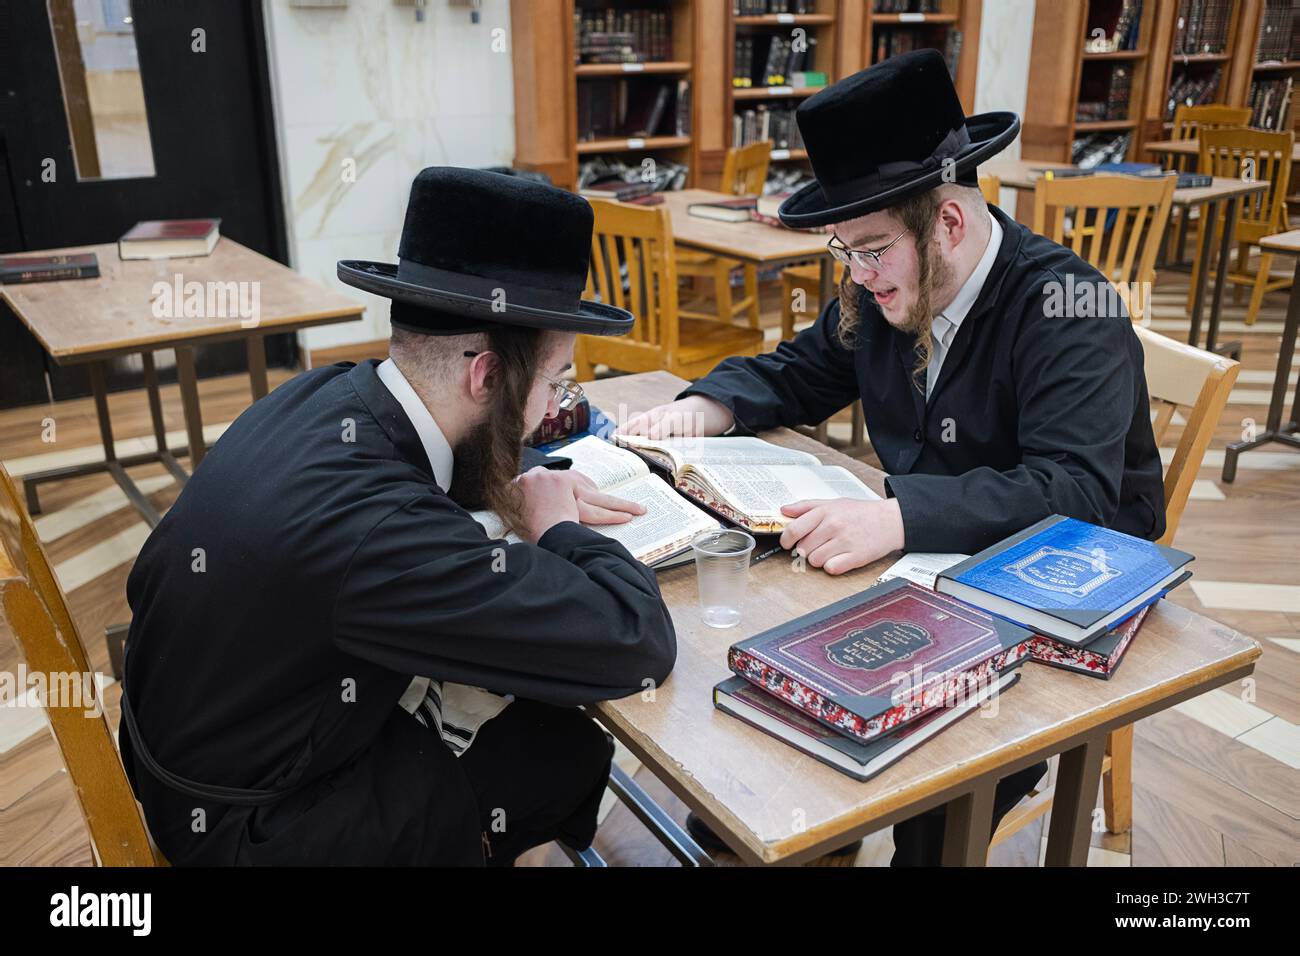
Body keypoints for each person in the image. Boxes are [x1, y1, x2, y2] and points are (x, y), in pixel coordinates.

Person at [621, 50, 1166, 864]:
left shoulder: (1068, 307)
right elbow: (803, 370)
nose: (859, 274)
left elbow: (1076, 491)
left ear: (949, 222)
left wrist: (900, 516)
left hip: (1053, 598)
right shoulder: (885, 289)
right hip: (914, 579)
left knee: (926, 807)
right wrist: (712, 403)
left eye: (871, 249)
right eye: (844, 251)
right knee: (761, 750)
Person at [119, 167, 677, 865]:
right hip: (252, 829)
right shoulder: (378, 528)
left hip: (188, 750)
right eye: (555, 383)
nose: (549, 414)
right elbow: (636, 640)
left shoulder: (331, 395)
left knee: (538, 725)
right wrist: (557, 526)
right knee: (564, 751)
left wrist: (518, 478)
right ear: (487, 377)